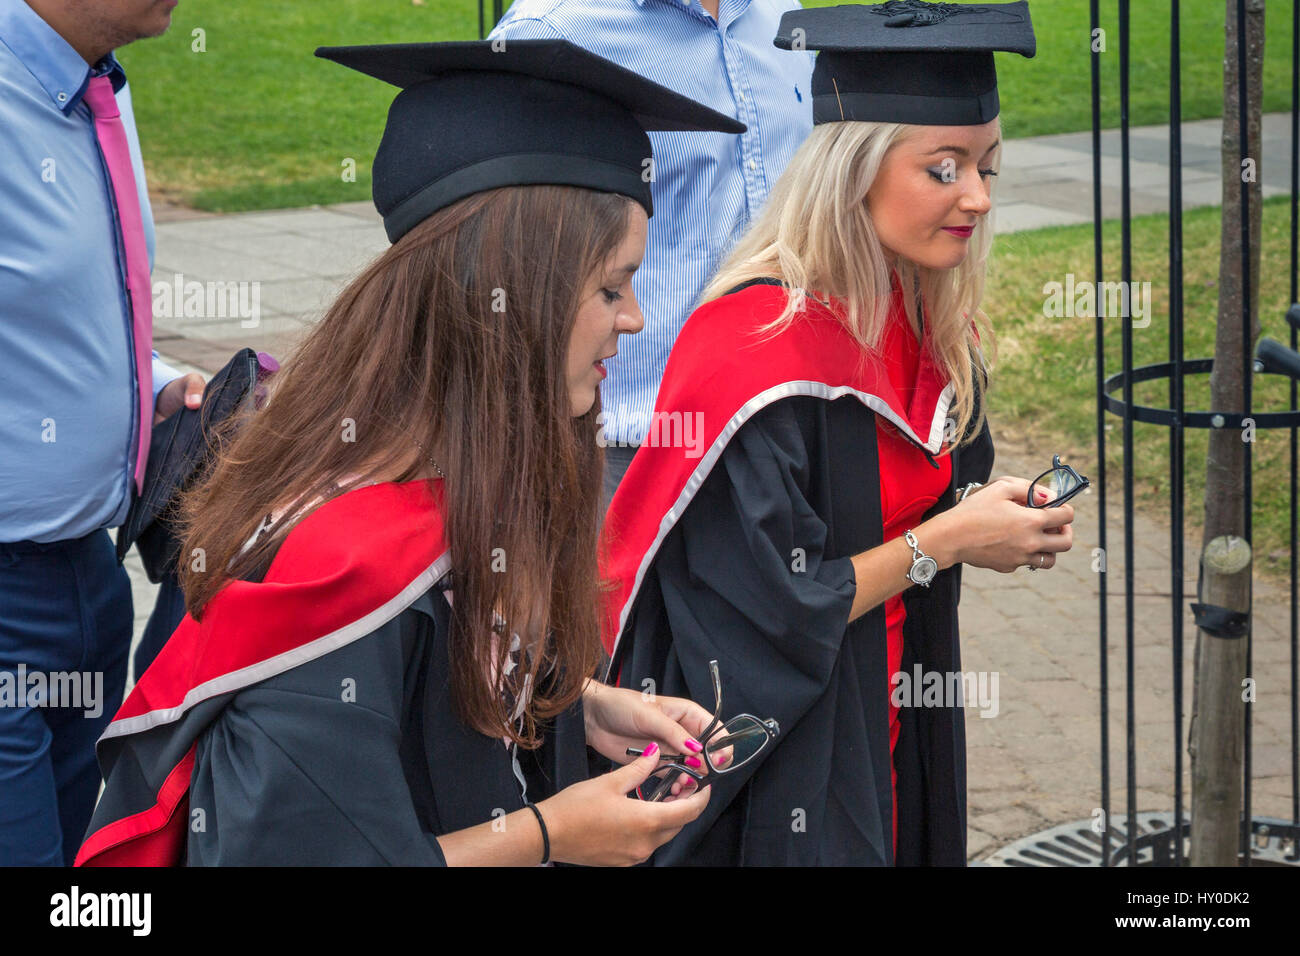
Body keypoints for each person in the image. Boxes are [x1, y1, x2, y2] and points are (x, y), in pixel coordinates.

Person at [75, 39, 744, 866]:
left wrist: (580, 707)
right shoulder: (344, 567)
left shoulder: (462, 482)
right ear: (509, 300)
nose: (636, 318)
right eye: (611, 287)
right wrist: (551, 834)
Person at [599, 0, 1072, 865]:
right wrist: (945, 541)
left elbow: (922, 497)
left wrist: (988, 519)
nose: (977, 196)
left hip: (892, 708)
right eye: (945, 167)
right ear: (853, 172)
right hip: (783, 756)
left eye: (987, 167)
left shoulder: (921, 318)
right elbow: (767, 606)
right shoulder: (751, 351)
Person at [0, 0, 205, 867]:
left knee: (87, 867)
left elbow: (64, 307)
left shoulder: (94, 85)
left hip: (95, 577)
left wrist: (156, 386)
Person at [488, 0, 814, 504]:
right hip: (623, 445)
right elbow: (503, 253)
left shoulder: (779, 14)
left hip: (778, 420)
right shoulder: (554, 31)